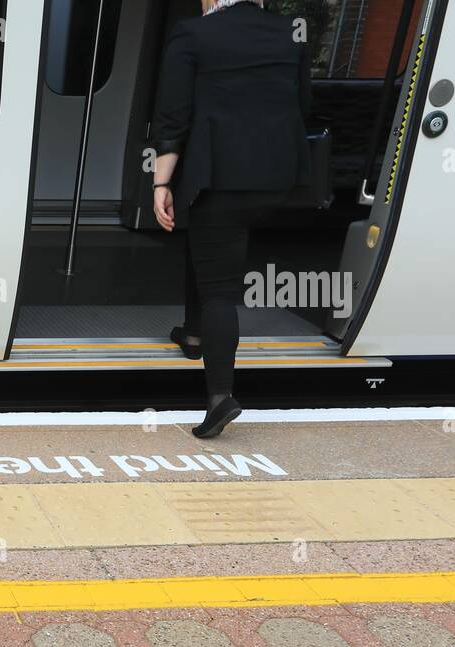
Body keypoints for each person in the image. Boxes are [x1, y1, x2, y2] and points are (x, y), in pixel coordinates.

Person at [151, 0, 312, 438]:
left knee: (220, 290)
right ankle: (194, 333)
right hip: (278, 177)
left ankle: (220, 397)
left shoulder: (194, 34)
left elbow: (172, 116)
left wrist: (160, 184)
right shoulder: (289, 33)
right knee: (209, 247)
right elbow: (302, 102)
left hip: (220, 179)